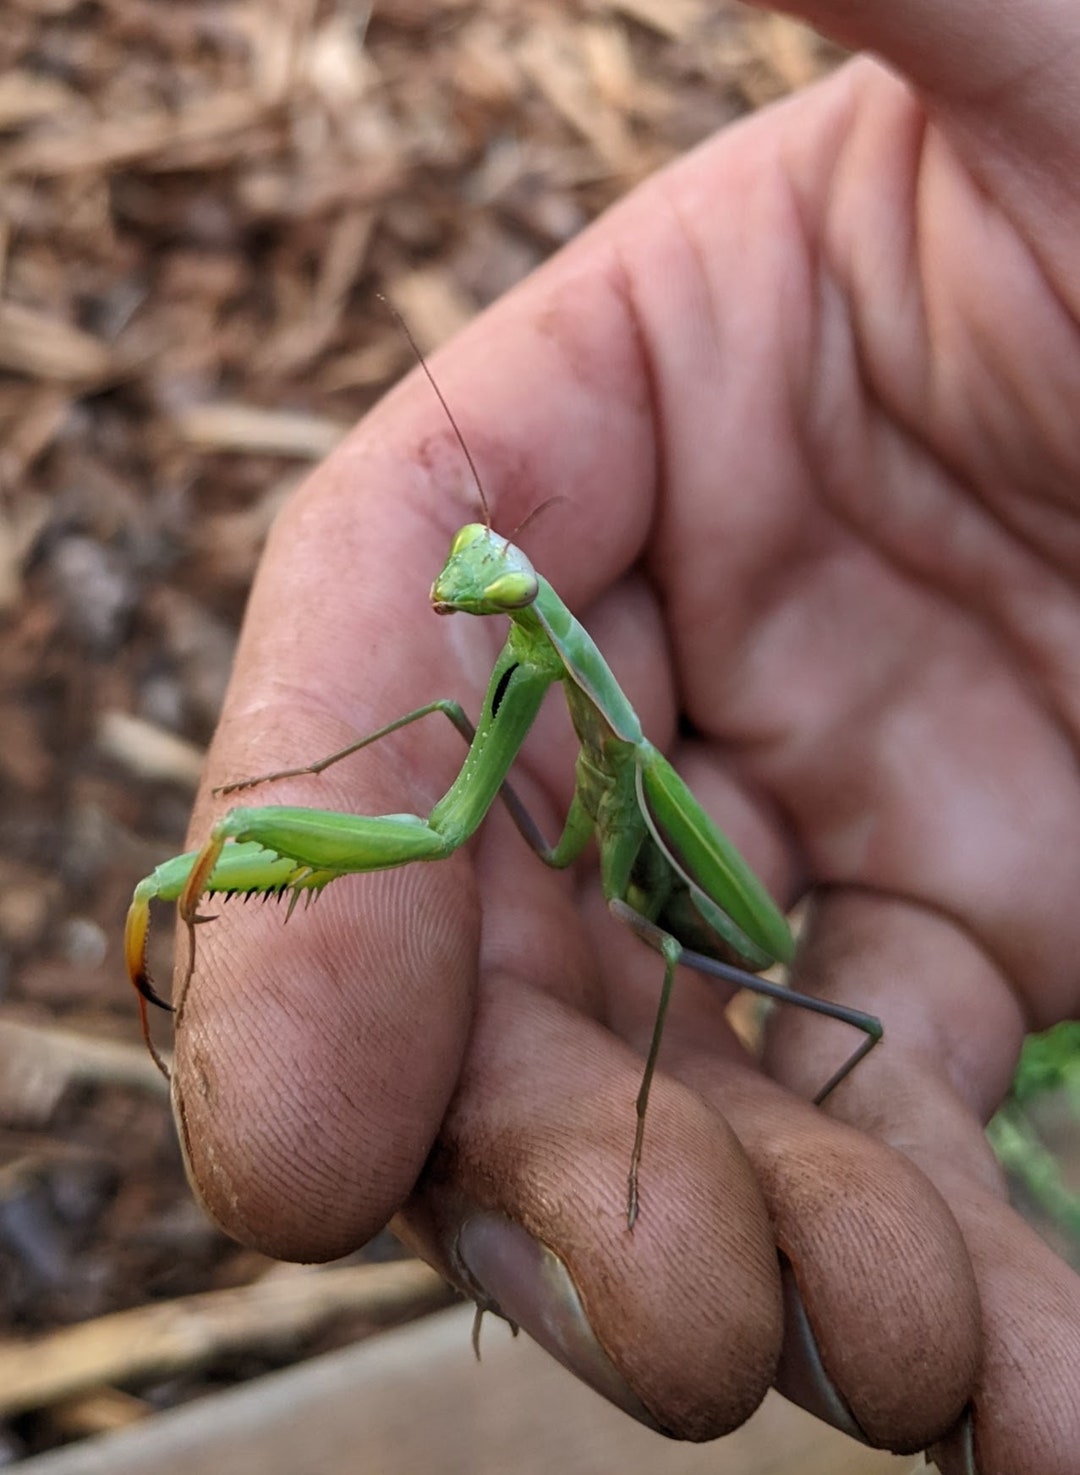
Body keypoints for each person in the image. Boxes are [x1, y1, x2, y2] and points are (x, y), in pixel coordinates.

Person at [169, 2, 1080, 1469]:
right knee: (452, 776)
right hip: (644, 808)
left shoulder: (617, 746)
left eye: (504, 583)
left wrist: (650, 1137)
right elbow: (465, 778)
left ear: (540, 606)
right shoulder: (538, 675)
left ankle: (646, 1148)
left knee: (702, 998)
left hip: (718, 928)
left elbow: (496, 847)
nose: (476, 588)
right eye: (485, 578)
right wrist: (309, 772)